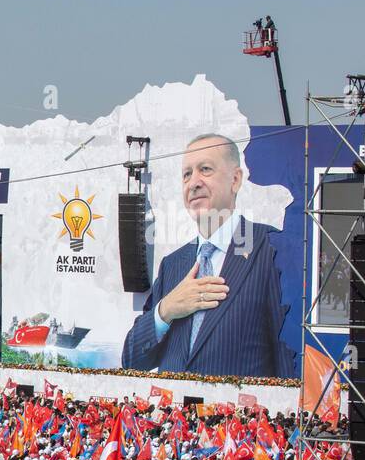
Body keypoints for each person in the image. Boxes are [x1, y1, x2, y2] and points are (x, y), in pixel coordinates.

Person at [120, 134, 296, 378]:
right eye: (186, 174)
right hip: (176, 416)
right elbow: (132, 361)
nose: (194, 183)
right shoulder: (172, 265)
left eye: (205, 169)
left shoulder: (271, 249)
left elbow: (289, 357)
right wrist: (166, 310)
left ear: (235, 180)